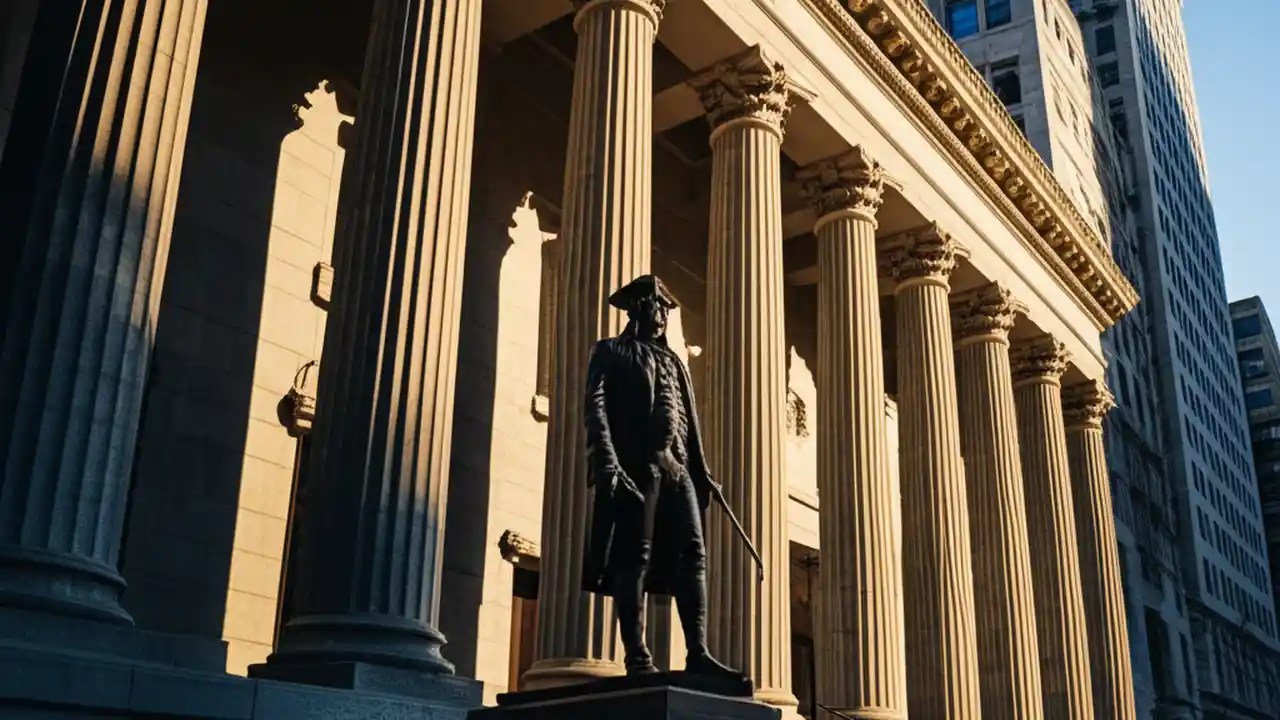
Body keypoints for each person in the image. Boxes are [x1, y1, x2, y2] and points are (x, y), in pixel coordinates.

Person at [582, 274, 743, 679]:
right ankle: (637, 655)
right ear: (639, 308)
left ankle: (698, 652)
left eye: (667, 310)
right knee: (633, 557)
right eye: (658, 306)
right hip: (638, 465)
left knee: (694, 554)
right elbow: (596, 408)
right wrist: (607, 462)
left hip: (678, 468)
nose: (664, 315)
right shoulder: (611, 351)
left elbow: (688, 419)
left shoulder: (675, 362)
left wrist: (701, 470)